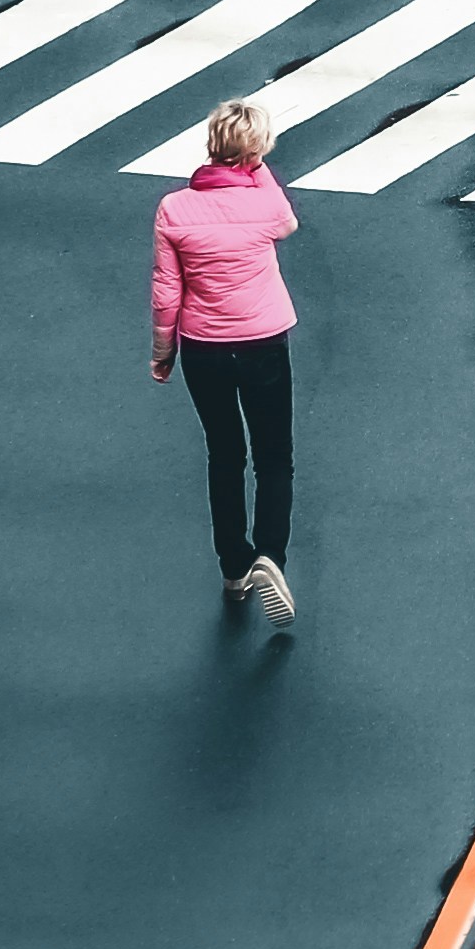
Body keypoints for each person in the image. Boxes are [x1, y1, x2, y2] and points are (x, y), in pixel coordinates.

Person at [152, 95, 300, 621]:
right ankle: (271, 558)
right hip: (263, 342)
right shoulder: (264, 204)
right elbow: (287, 222)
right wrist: (256, 169)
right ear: (256, 151)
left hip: (203, 349)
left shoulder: (174, 208)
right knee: (274, 456)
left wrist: (163, 353)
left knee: (224, 454)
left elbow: (166, 290)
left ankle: (235, 567)